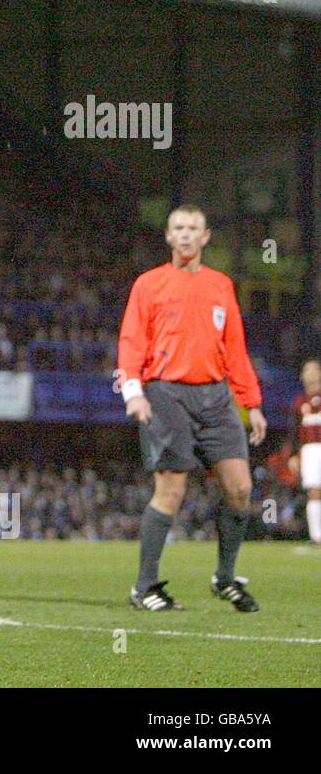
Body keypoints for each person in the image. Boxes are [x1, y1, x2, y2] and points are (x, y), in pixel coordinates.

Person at [117, 205, 265, 612]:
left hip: (216, 397)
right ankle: (145, 587)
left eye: (192, 228)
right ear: (168, 236)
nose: (185, 235)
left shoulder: (221, 285)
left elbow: (234, 348)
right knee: (172, 490)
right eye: (178, 228)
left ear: (205, 236)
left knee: (240, 488)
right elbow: (131, 340)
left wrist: (251, 402)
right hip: (166, 393)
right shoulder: (149, 284)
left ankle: (225, 578)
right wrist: (133, 391)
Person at [286, 358, 321, 545]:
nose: (311, 374)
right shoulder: (299, 403)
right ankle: (316, 536)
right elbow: (294, 432)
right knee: (314, 490)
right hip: (310, 450)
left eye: (315, 370)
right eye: (307, 370)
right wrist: (293, 454)